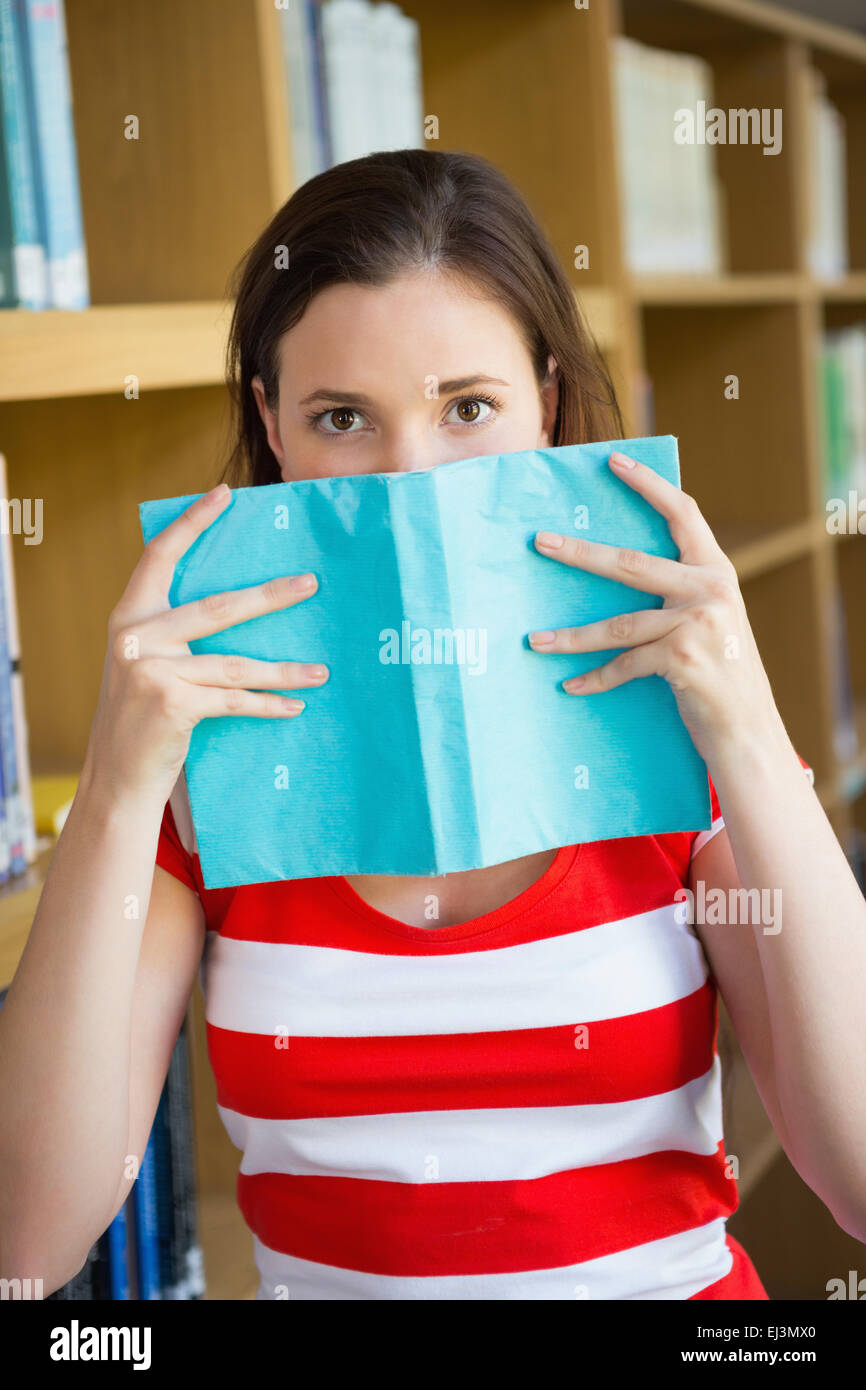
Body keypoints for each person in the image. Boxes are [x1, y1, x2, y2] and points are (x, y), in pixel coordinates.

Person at [2, 150, 864, 1301]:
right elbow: (24, 1245)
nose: (411, 481)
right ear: (271, 424)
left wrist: (749, 736)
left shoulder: (686, 740)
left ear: (546, 401)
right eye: (342, 417)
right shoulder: (201, 783)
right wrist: (116, 786)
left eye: (468, 407)